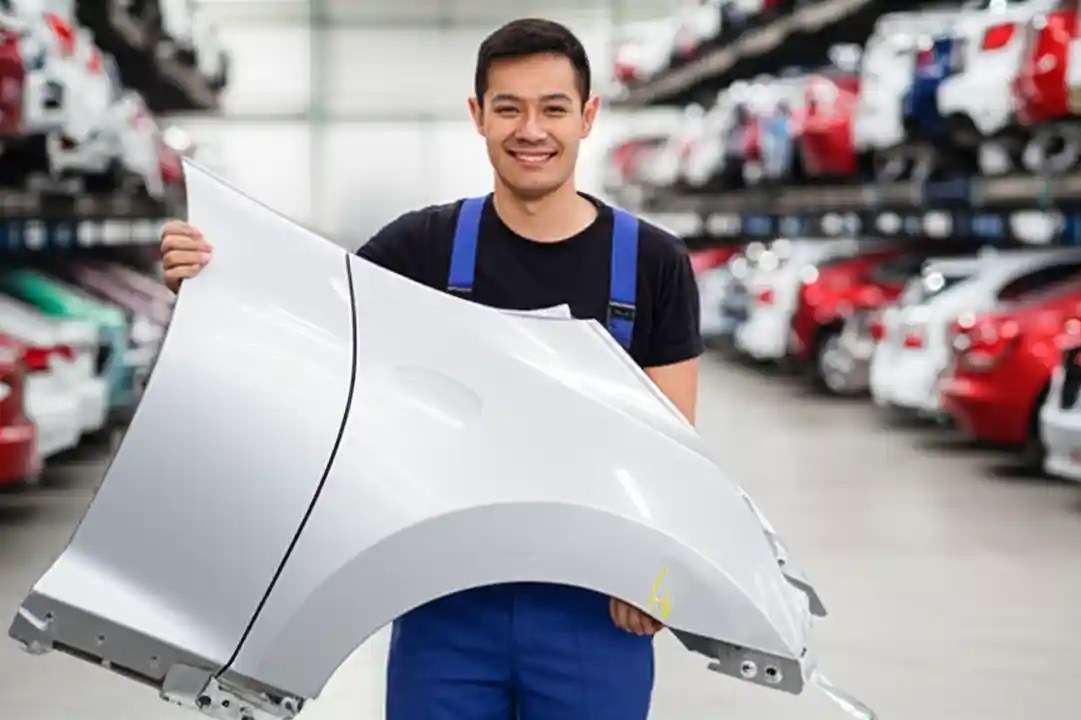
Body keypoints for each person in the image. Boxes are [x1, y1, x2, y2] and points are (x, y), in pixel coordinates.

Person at [158, 16, 704, 720]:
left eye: (553, 108)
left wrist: (655, 582)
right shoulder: (423, 248)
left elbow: (678, 455)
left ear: (587, 117)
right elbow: (310, 320)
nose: (529, 129)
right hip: (443, 604)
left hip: (596, 609)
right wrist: (212, 277)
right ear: (478, 116)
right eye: (508, 107)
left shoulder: (654, 264)